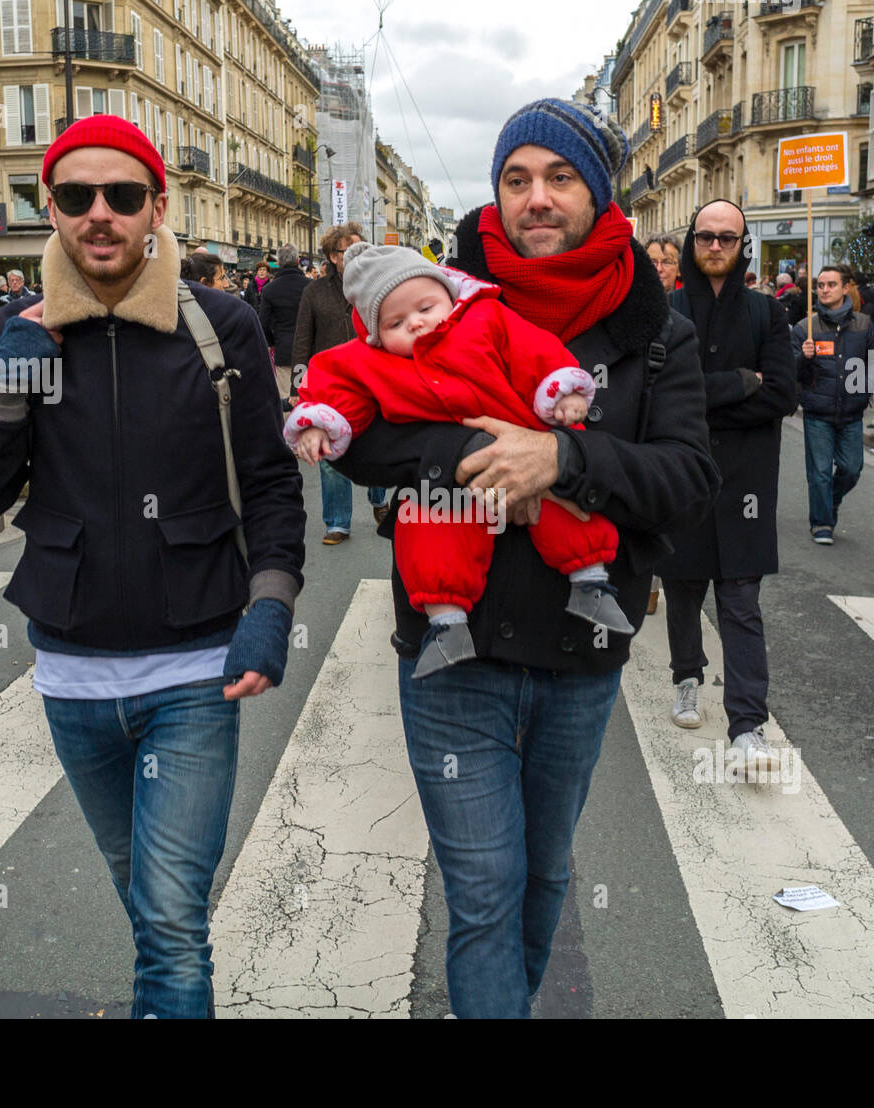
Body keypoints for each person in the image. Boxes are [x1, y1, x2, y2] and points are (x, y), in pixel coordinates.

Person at [327, 98, 719, 1017]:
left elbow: (691, 475)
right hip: (449, 644)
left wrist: (565, 459)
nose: (535, 199)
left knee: (543, 878)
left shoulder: (655, 328)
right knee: (485, 890)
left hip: (581, 652)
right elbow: (357, 429)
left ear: (598, 192)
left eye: (559, 177)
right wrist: (467, 452)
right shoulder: (430, 293)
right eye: (516, 180)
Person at [0, 115, 305, 1019]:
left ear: (157, 206)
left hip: (195, 670)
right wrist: (1, 384)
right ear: (52, 210)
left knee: (172, 921)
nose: (99, 214)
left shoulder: (219, 327)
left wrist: (271, 603)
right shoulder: (16, 329)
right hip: (72, 676)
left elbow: (268, 485)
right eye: (76, 197)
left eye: (121, 195)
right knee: (146, 908)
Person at [288, 241, 633, 676]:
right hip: (451, 484)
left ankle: (591, 582)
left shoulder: (486, 318)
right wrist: (320, 421)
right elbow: (339, 387)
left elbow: (532, 350)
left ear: (450, 294)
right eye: (396, 322)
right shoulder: (371, 360)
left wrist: (561, 388)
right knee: (427, 529)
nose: (415, 323)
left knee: (567, 508)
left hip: (529, 436)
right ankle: (447, 625)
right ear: (375, 334)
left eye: (425, 307)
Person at [661, 199, 798, 764]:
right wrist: (740, 384)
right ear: (692, 241)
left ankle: (747, 724)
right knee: (683, 588)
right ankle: (686, 676)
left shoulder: (768, 313)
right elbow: (660, 397)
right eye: (706, 236)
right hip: (683, 471)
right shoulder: (666, 311)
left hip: (746, 480)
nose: (715, 246)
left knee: (741, 601)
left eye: (727, 238)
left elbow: (783, 395)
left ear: (743, 245)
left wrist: (705, 396)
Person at [290, 222, 388, 542]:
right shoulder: (314, 292)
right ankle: (337, 522)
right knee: (329, 454)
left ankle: (379, 499)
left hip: (373, 378)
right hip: (328, 383)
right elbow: (302, 341)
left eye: (363, 248)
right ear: (334, 256)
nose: (358, 255)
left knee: (377, 444)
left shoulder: (378, 285)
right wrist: (296, 389)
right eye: (349, 250)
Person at [793, 263, 874, 544]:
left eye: (831, 284)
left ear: (845, 288)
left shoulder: (863, 324)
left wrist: (863, 391)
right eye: (820, 285)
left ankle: (829, 501)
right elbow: (790, 371)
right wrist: (802, 358)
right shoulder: (805, 328)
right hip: (817, 411)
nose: (825, 289)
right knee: (819, 472)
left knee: (851, 469)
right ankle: (821, 523)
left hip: (851, 412)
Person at [642, 230, 681, 614]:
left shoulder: (686, 312)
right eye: (652, 260)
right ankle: (648, 584)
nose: (659, 268)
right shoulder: (630, 305)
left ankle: (656, 581)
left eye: (667, 261)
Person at [259, 243, 310, 407]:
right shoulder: (310, 286)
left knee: (287, 397)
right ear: (298, 261)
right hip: (308, 349)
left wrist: (273, 341)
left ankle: (289, 430)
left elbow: (263, 323)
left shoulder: (269, 290)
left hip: (284, 348)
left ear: (278, 263)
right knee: (305, 394)